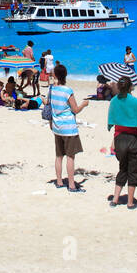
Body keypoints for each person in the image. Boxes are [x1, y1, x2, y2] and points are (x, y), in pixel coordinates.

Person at [107, 76, 137, 208]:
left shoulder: (114, 101)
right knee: (134, 170)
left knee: (123, 168)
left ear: (118, 87)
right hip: (134, 138)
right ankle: (130, 202)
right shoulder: (135, 101)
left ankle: (115, 199)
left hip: (120, 139)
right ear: (131, 87)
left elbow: (112, 119)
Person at [48, 64, 87, 192]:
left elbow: (49, 107)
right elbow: (75, 109)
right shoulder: (67, 91)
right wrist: (84, 104)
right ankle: (71, 185)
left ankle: (59, 182)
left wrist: (51, 123)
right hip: (68, 127)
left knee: (59, 156)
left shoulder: (52, 89)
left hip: (57, 127)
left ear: (55, 76)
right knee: (70, 157)